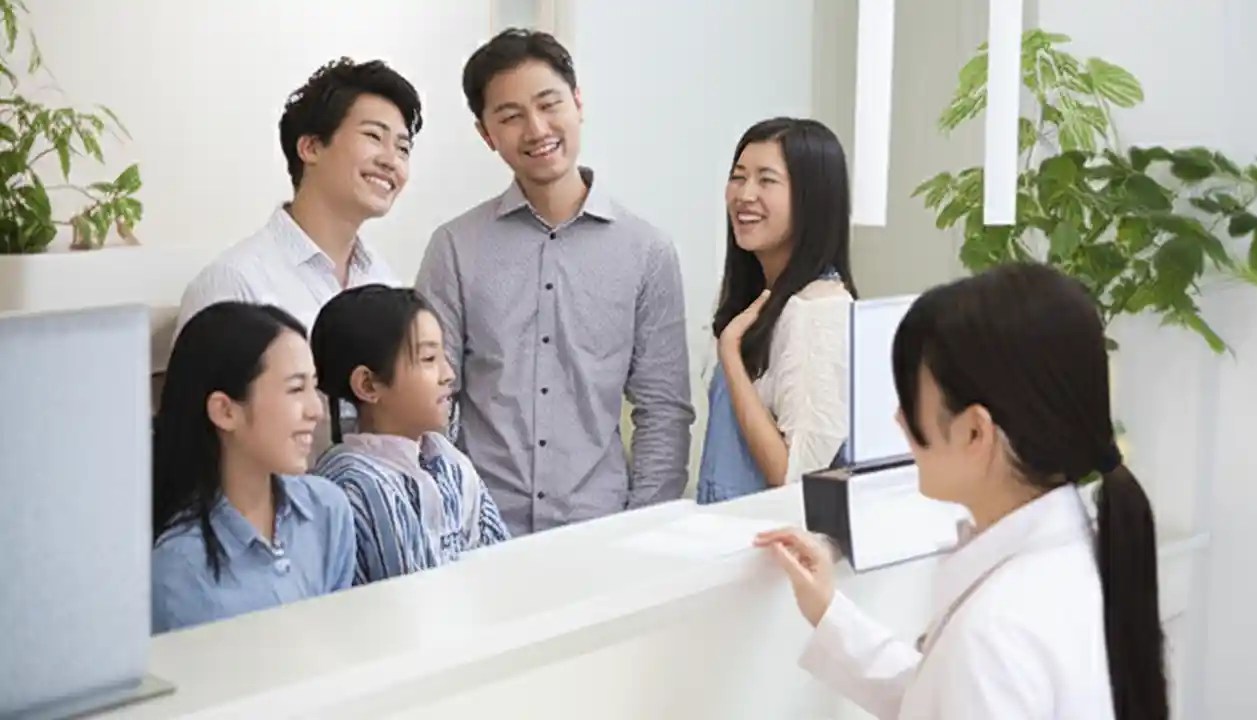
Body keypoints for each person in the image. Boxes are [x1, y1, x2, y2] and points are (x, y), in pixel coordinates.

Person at [755, 263, 1168, 718]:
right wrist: (829, 613)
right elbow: (936, 695)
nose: (898, 420)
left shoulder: (995, 635)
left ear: (975, 432)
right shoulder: (1074, 559)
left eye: (911, 401)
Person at [415, 29, 695, 536]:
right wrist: (452, 523)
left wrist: (641, 532)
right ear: (486, 134)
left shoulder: (647, 251)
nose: (537, 128)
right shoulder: (454, 247)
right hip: (481, 534)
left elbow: (663, 411)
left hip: (601, 533)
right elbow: (430, 399)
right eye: (511, 116)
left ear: (578, 102)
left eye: (549, 104)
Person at [173, 57, 422, 339]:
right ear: (311, 147)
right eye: (373, 136)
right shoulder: (233, 284)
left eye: (403, 149)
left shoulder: (385, 281)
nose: (392, 161)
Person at [152, 302, 355, 634]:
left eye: (314, 386)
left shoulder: (327, 509)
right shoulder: (179, 566)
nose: (316, 410)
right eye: (295, 389)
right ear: (225, 411)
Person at [697, 118, 857, 504]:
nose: (745, 194)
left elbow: (794, 476)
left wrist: (731, 354)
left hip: (771, 535)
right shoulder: (761, 297)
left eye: (766, 180)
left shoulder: (818, 311)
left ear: (811, 200)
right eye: (738, 177)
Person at [310, 285, 509, 584]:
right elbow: (406, 599)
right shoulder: (354, 487)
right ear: (368, 385)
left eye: (443, 356)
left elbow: (501, 565)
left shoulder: (450, 463)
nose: (448, 374)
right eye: (429, 359)